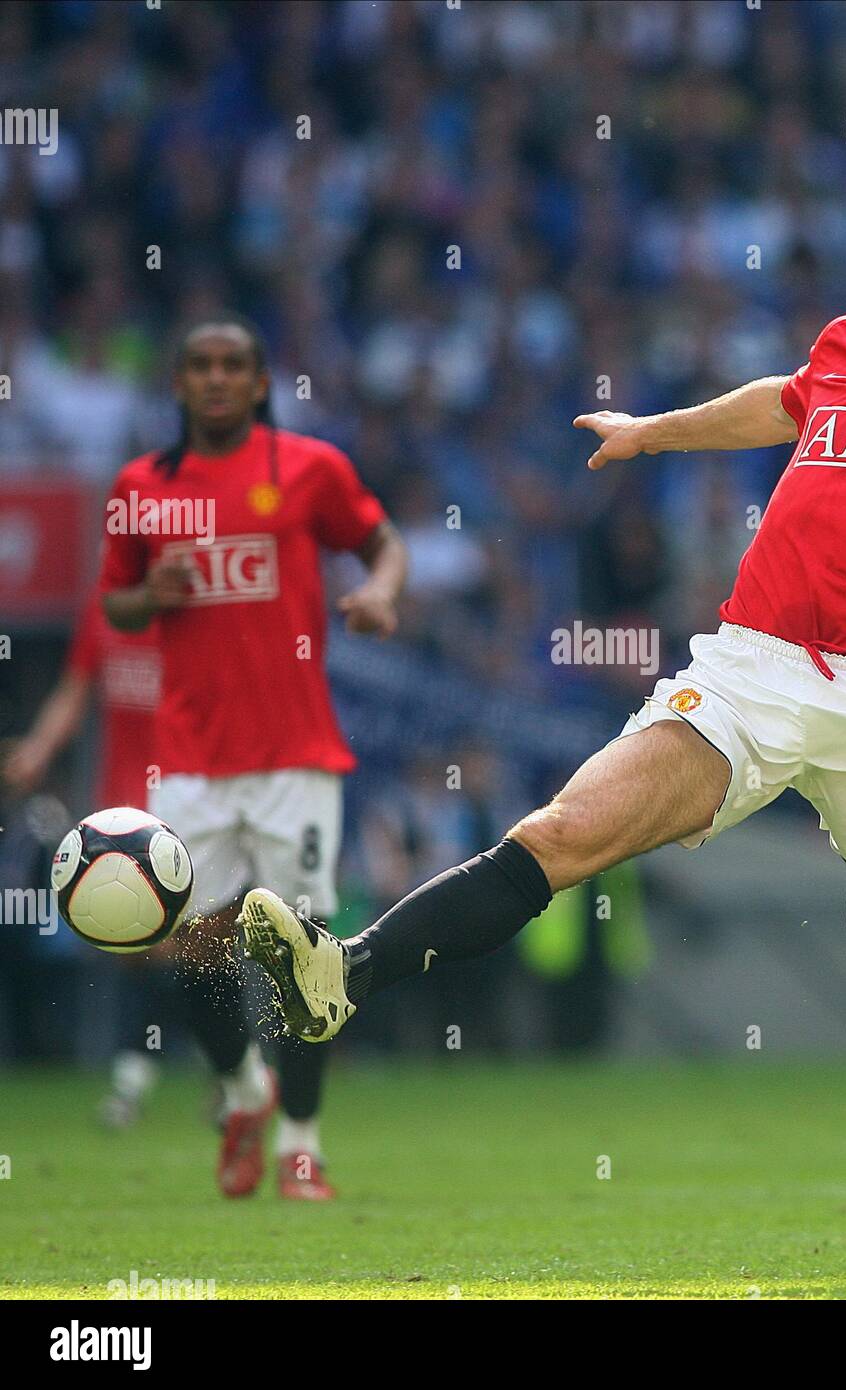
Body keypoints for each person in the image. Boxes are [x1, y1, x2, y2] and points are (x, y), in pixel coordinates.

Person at [242, 71, 846, 1269]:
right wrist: (651, 429)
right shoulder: (845, 351)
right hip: (753, 670)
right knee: (563, 831)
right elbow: (785, 400)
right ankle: (344, 973)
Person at [99, 314, 407, 1200]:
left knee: (303, 956)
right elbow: (112, 604)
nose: (217, 379)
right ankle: (242, 1094)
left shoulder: (308, 468)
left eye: (234, 366)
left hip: (295, 759)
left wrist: (380, 593)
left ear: (262, 382)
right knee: (188, 947)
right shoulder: (141, 489)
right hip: (191, 762)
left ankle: (300, 1146)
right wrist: (142, 596)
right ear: (179, 383)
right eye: (201, 365)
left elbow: (380, 542)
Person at [2, 586, 169, 1126]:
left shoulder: (187, 611)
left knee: (191, 940)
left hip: (187, 800)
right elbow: (74, 691)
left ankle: (223, 1072)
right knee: (136, 944)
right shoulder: (103, 615)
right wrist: (39, 748)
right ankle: (140, 1074)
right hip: (119, 813)